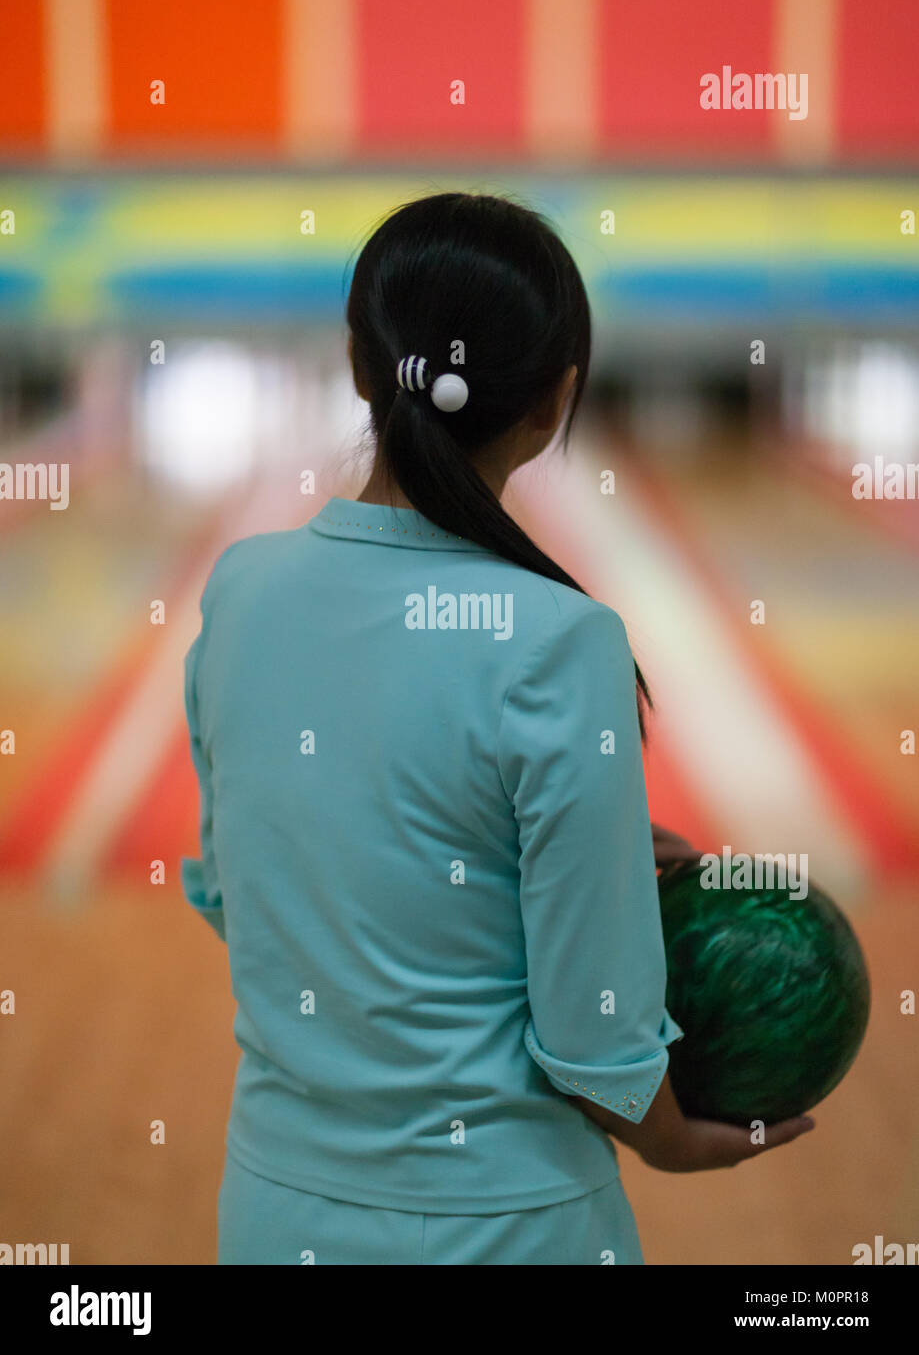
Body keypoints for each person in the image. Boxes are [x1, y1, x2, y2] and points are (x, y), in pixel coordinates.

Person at [182, 192, 814, 1266]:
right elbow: (594, 1035)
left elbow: (240, 888)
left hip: (274, 1215)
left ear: (355, 362)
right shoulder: (562, 641)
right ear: (555, 399)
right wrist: (665, 1136)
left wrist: (540, 873)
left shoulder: (239, 591)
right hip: (505, 1230)